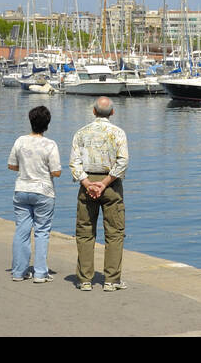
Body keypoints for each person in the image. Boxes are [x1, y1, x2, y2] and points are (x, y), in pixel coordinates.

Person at [70, 96, 129, 291]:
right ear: (112, 112)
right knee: (114, 232)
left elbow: (74, 162)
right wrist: (103, 184)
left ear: (93, 111)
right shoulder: (118, 133)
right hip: (111, 184)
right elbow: (122, 162)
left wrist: (88, 184)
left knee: (85, 231)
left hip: (87, 184)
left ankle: (85, 279)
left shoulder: (81, 133)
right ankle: (111, 280)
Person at [7, 105, 63, 283]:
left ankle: (18, 271)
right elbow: (56, 172)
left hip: (22, 188)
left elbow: (11, 165)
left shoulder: (20, 141)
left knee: (21, 231)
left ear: (30, 122)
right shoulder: (50, 144)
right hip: (44, 191)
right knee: (42, 232)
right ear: (47, 124)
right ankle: (40, 273)